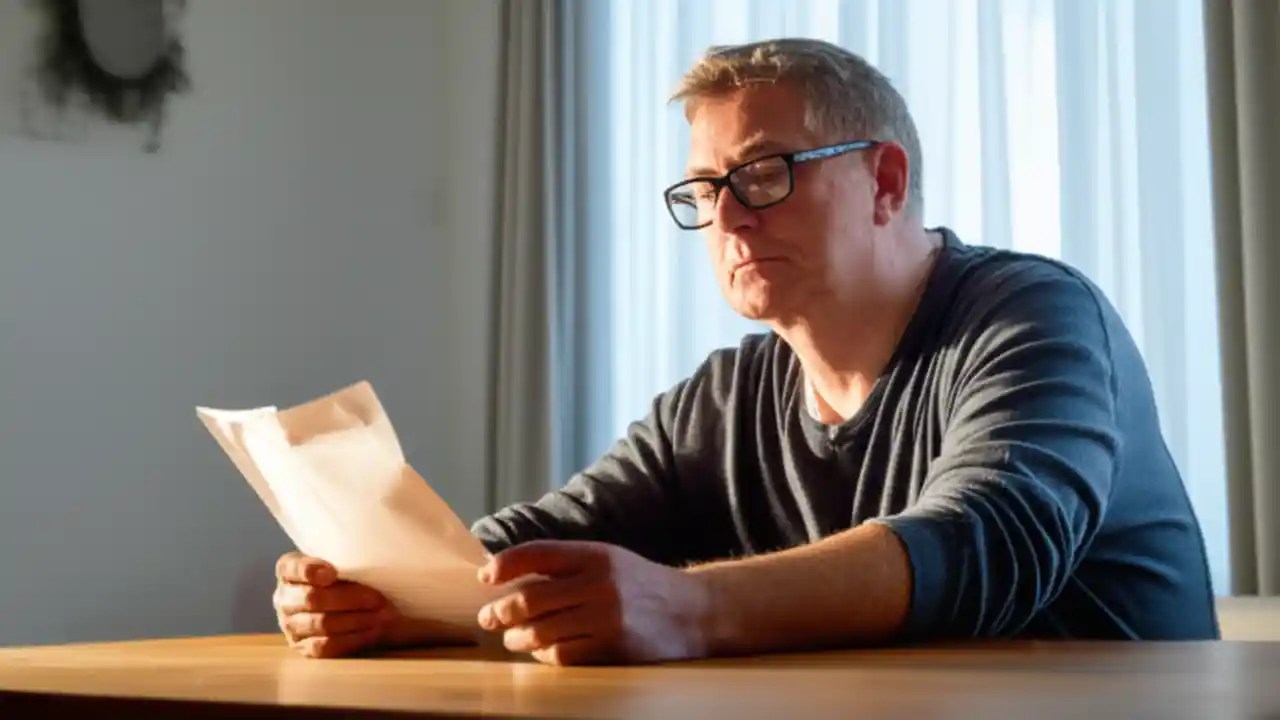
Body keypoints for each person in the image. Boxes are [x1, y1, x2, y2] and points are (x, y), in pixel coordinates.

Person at [271, 38, 1219, 665]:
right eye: (703, 187)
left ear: (884, 181)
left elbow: (988, 541)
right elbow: (558, 534)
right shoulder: (725, 399)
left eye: (763, 173)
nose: (723, 215)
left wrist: (685, 609)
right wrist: (394, 592)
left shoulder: (1033, 318)